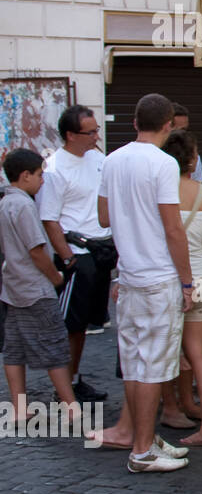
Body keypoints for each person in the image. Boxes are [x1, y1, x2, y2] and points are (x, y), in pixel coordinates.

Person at [96, 93, 193, 472]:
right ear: (168, 125)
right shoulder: (164, 163)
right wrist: (187, 281)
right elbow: (173, 228)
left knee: (135, 363)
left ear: (135, 123)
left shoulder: (112, 159)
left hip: (129, 275)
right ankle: (141, 450)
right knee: (152, 367)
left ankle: (144, 439)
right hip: (157, 275)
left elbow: (104, 217)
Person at [36, 105, 111, 402]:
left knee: (87, 324)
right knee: (70, 325)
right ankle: (63, 390)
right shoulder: (55, 168)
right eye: (90, 132)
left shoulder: (99, 159)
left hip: (103, 249)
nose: (96, 137)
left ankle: (74, 379)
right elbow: (49, 218)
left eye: (96, 130)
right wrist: (68, 258)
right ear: (70, 135)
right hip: (78, 252)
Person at [1, 149, 80, 425]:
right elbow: (36, 250)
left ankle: (19, 407)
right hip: (35, 288)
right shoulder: (23, 206)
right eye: (38, 175)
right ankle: (71, 407)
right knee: (54, 347)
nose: (42, 180)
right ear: (25, 176)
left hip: (13, 287)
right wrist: (55, 276)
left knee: (14, 349)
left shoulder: (5, 202)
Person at [160, 130, 202, 447]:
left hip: (170, 280)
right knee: (199, 354)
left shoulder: (161, 193)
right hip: (200, 280)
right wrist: (197, 254)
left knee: (163, 349)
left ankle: (169, 408)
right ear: (192, 160)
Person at [170, 104, 202, 182]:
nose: (183, 134)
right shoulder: (154, 156)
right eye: (179, 130)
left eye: (184, 130)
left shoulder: (193, 157)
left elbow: (199, 185)